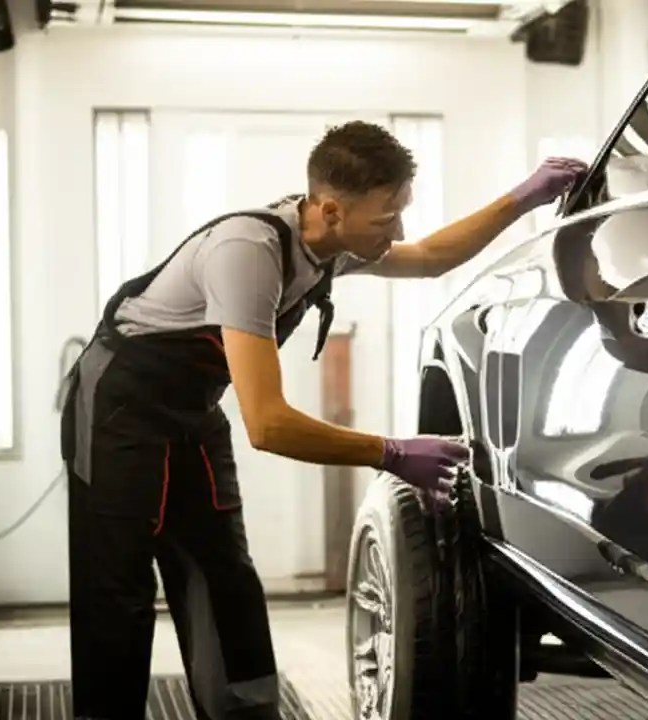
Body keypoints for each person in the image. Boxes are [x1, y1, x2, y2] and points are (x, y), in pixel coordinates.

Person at [58, 120, 587, 720]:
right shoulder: (248, 252)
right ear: (332, 210)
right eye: (387, 217)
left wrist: (525, 196)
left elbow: (432, 257)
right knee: (117, 590)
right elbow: (268, 424)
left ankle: (245, 715)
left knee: (224, 574)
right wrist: (389, 452)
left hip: (191, 411)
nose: (399, 231)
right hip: (118, 407)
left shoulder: (326, 248)